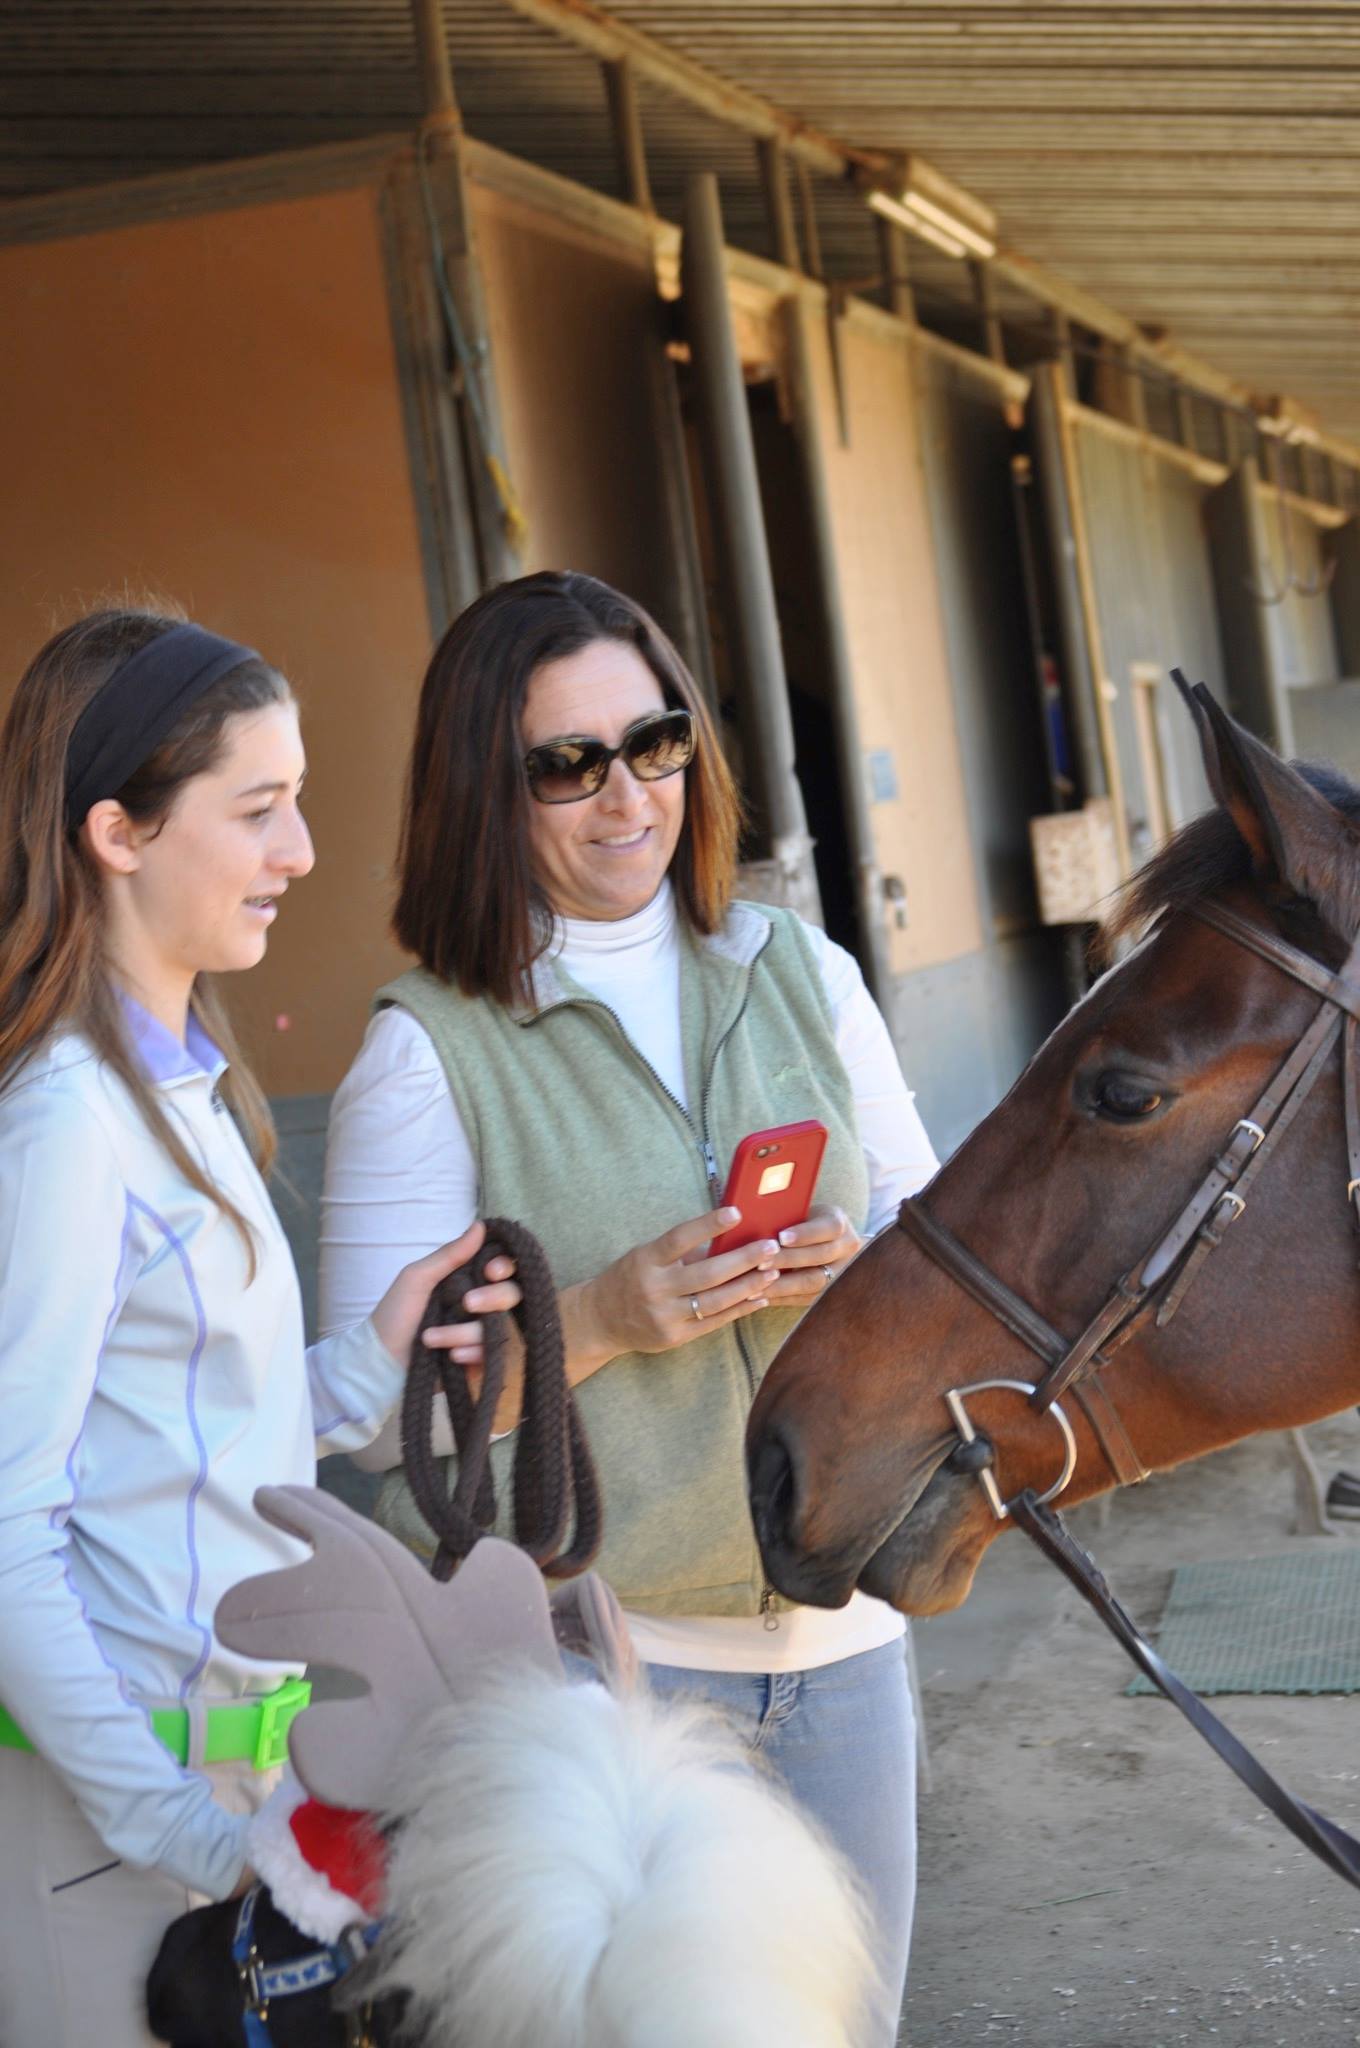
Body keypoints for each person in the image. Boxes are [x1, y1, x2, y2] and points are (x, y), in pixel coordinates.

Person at [320, 570, 939, 2031]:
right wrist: (598, 1320)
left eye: (654, 742)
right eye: (568, 765)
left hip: (844, 1635)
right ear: (488, 789)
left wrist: (857, 1268)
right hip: (600, 1676)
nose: (628, 798)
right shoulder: (428, 1053)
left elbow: (930, 1229)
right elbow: (381, 1433)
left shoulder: (799, 970)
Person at [0, 607, 519, 2048]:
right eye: (259, 809)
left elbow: (191, 1431)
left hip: (231, 1784)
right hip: (118, 1827)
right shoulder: (62, 1123)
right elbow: (5, 1514)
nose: (298, 852)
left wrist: (378, 1358)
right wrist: (161, 1817)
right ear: (118, 831)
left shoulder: (185, 1081)